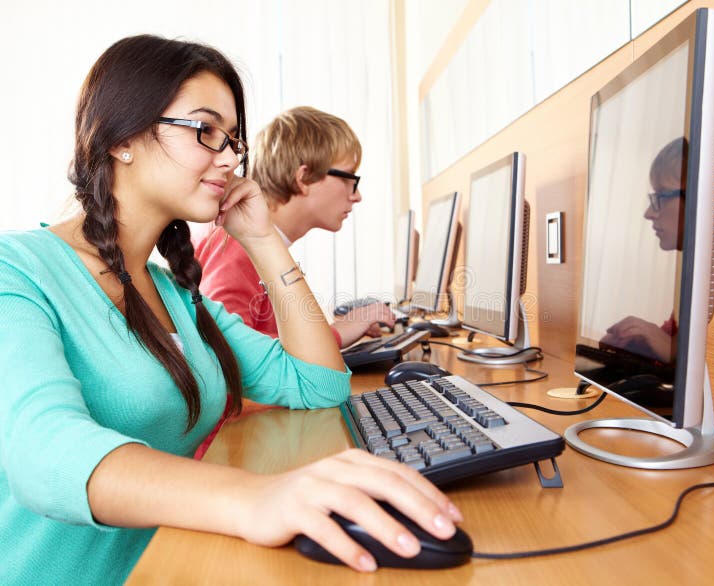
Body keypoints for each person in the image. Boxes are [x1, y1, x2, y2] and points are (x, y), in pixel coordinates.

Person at [0, 35, 461, 584]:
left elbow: (320, 384)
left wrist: (265, 241)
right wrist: (258, 496)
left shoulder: (176, 295)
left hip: (174, 567)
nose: (230, 158)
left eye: (233, 141)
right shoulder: (18, 270)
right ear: (121, 137)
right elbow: (44, 454)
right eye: (206, 132)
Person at [195, 106, 396, 348]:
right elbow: (226, 346)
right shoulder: (236, 241)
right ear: (304, 178)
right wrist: (336, 335)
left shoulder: (262, 244)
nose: (357, 196)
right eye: (350, 178)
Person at [600, 137, 686, 364]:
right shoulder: (692, 275)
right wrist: (642, 344)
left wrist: (669, 348)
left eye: (661, 198)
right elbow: (672, 346)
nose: (649, 213)